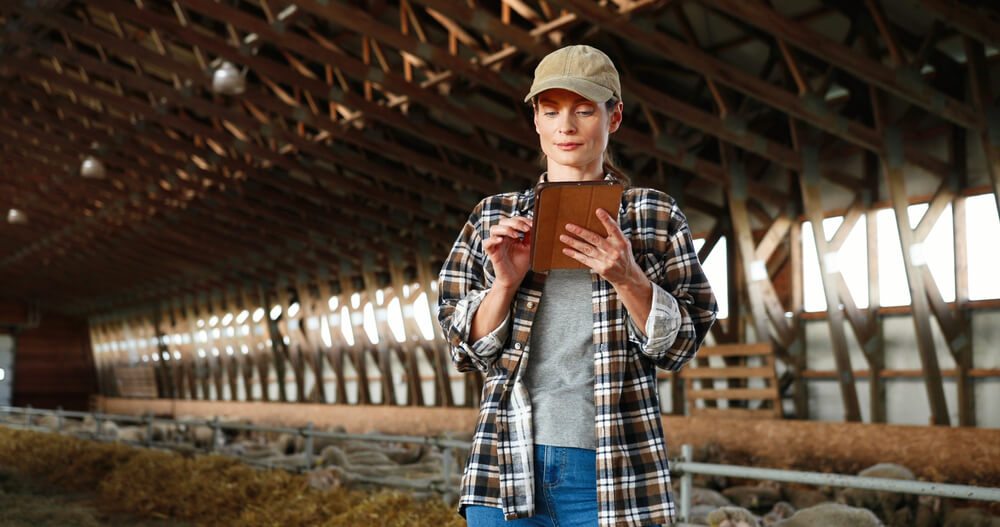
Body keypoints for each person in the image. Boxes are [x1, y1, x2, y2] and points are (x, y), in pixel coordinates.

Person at [437, 44, 718, 527]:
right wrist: (505, 283)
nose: (566, 126)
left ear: (614, 118)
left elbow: (682, 346)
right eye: (552, 111)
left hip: (611, 468)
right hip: (503, 463)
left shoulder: (653, 215)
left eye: (584, 110)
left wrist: (628, 277)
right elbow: (465, 350)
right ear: (537, 122)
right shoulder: (494, 217)